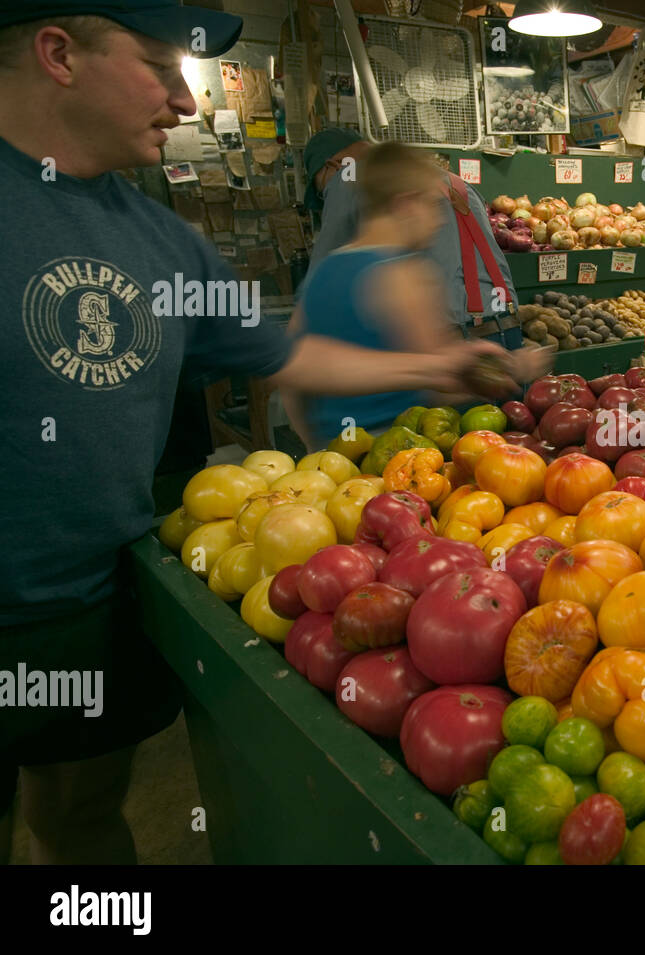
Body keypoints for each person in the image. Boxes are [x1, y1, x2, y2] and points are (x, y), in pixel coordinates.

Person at [0, 0, 533, 864]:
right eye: (160, 66)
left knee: (80, 817)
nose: (184, 100)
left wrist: (435, 367)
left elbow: (287, 358)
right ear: (59, 53)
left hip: (96, 597)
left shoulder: (161, 243)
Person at [285, 142, 549, 448]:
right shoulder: (405, 275)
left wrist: (313, 446)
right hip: (396, 458)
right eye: (433, 207)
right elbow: (441, 382)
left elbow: (290, 379)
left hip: (334, 458)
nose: (438, 221)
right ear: (406, 205)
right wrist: (516, 367)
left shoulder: (324, 271)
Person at [304, 128, 519, 343]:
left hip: (446, 333)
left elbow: (320, 270)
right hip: (503, 319)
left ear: (330, 166)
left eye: (320, 190)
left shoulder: (346, 177)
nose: (438, 220)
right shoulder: (456, 182)